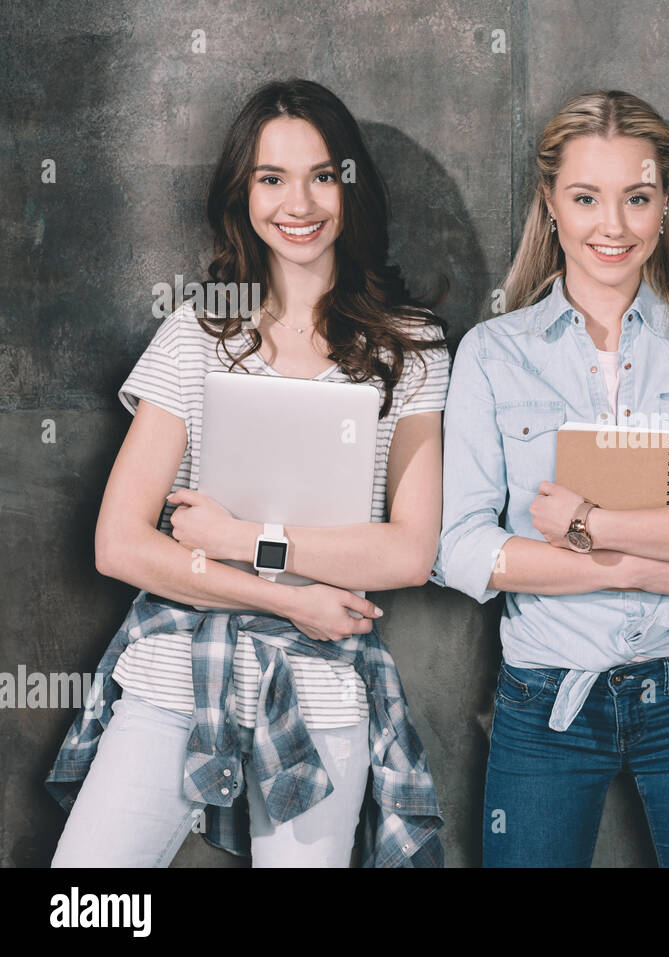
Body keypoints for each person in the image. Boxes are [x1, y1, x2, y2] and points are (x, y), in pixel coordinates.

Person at [47, 79, 448, 867]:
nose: (297, 203)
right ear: (244, 192)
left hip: (324, 685)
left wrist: (236, 538)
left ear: (349, 186)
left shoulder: (415, 345)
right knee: (85, 903)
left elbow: (407, 551)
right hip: (173, 677)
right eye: (271, 178)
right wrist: (283, 596)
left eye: (321, 175)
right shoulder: (197, 332)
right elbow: (119, 544)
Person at [434, 90, 669, 867]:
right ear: (551, 206)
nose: (614, 225)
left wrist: (593, 523)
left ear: (665, 206)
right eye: (587, 198)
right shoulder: (493, 352)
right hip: (543, 695)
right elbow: (460, 549)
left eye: (638, 197)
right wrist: (638, 567)